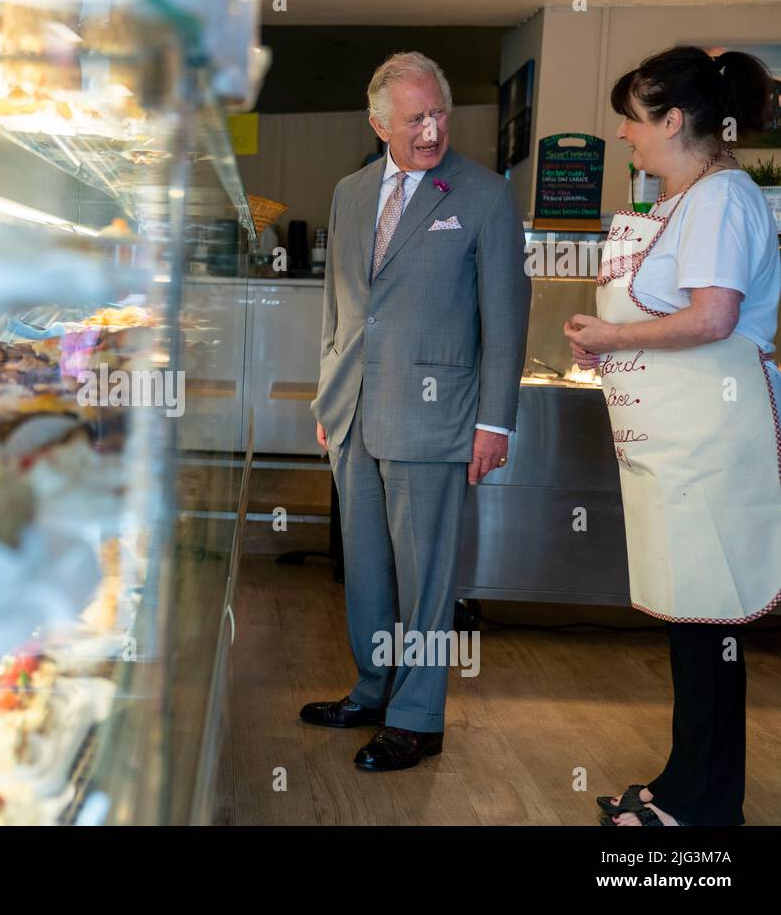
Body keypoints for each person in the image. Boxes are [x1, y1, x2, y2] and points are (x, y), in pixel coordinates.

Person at [565, 46, 781, 826]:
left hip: (715, 444)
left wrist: (616, 338)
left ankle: (703, 807)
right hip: (685, 445)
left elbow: (714, 317)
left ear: (674, 120)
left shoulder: (722, 199)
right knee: (694, 624)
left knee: (710, 627)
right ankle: (681, 781)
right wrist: (606, 334)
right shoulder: (692, 200)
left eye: (632, 117)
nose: (624, 135)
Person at [302, 52, 530, 770]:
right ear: (378, 124)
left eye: (439, 113)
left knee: (427, 579)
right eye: (413, 119)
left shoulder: (485, 195)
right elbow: (341, 308)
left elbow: (506, 320)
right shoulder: (349, 193)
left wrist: (494, 423)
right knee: (366, 570)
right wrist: (327, 395)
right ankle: (373, 689)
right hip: (353, 413)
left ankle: (418, 717)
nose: (431, 130)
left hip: (437, 418)